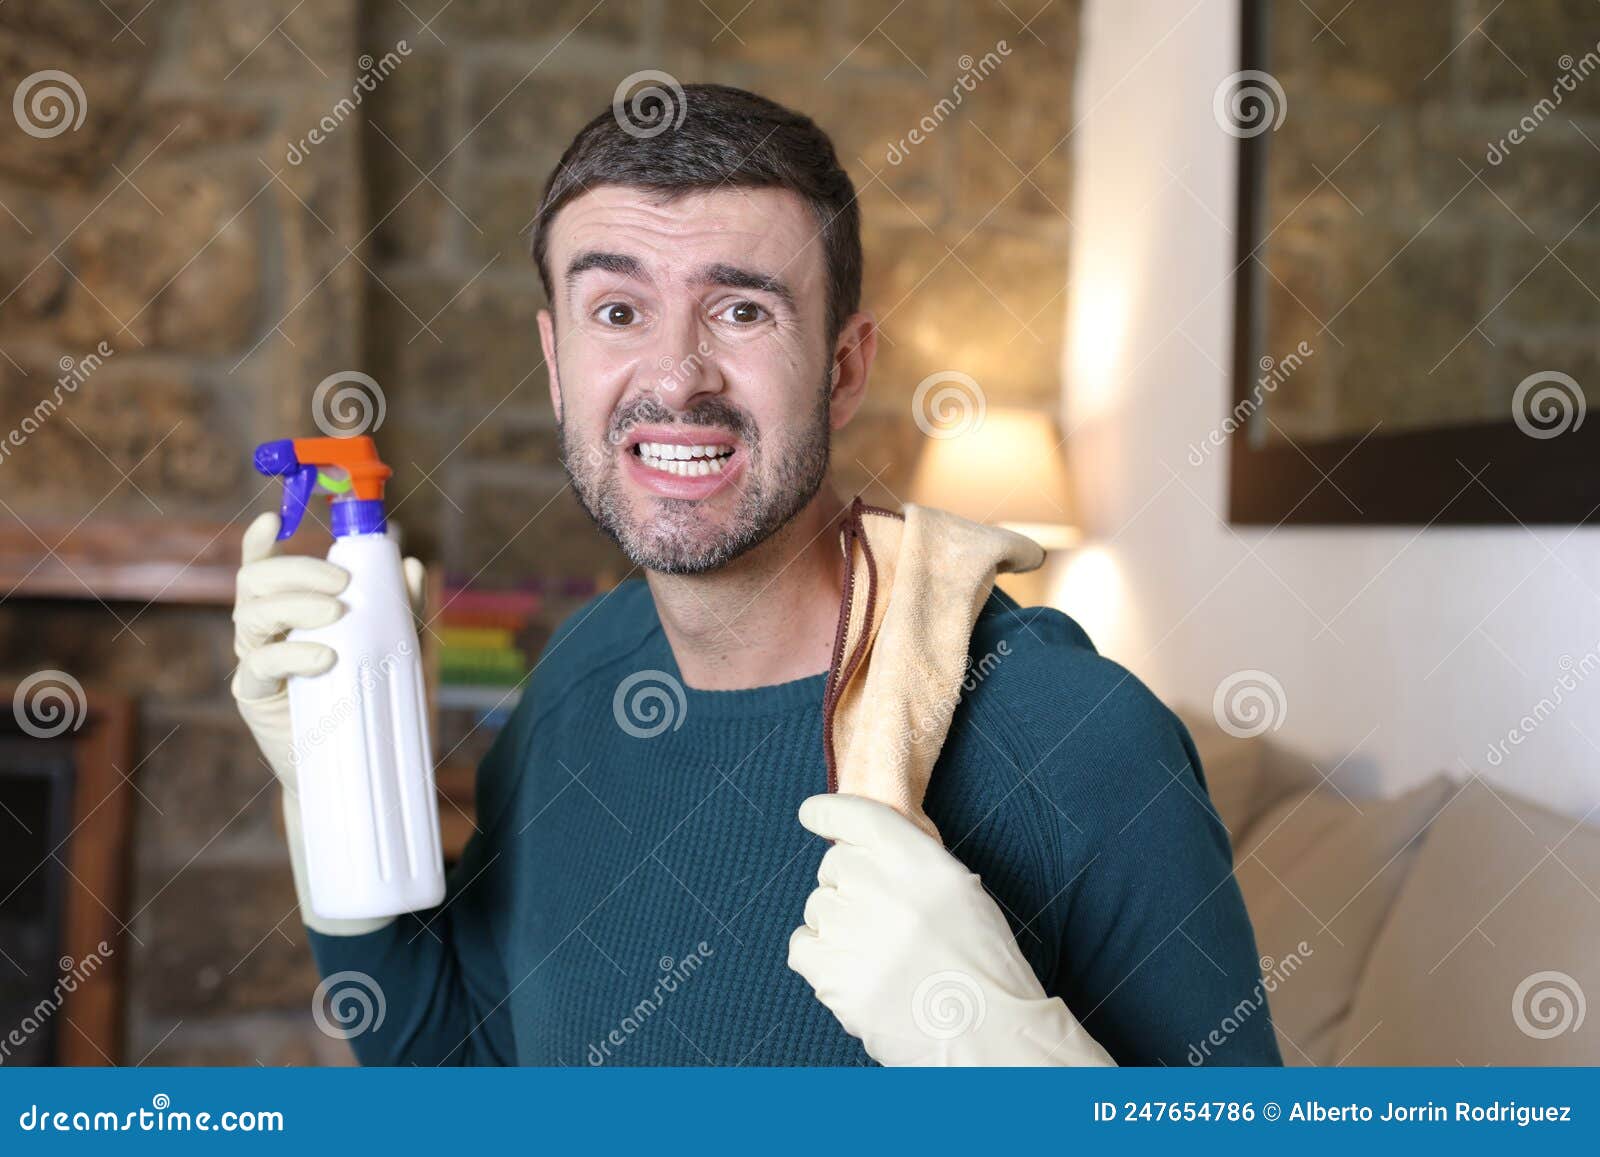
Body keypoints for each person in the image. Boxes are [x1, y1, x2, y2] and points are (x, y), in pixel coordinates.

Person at [231, 84, 1282, 1067]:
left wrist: (1005, 1061)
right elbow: (458, 1061)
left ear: (844, 366)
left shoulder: (1074, 740)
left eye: (742, 310)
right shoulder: (580, 675)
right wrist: (325, 780)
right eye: (617, 311)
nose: (677, 374)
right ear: (556, 363)